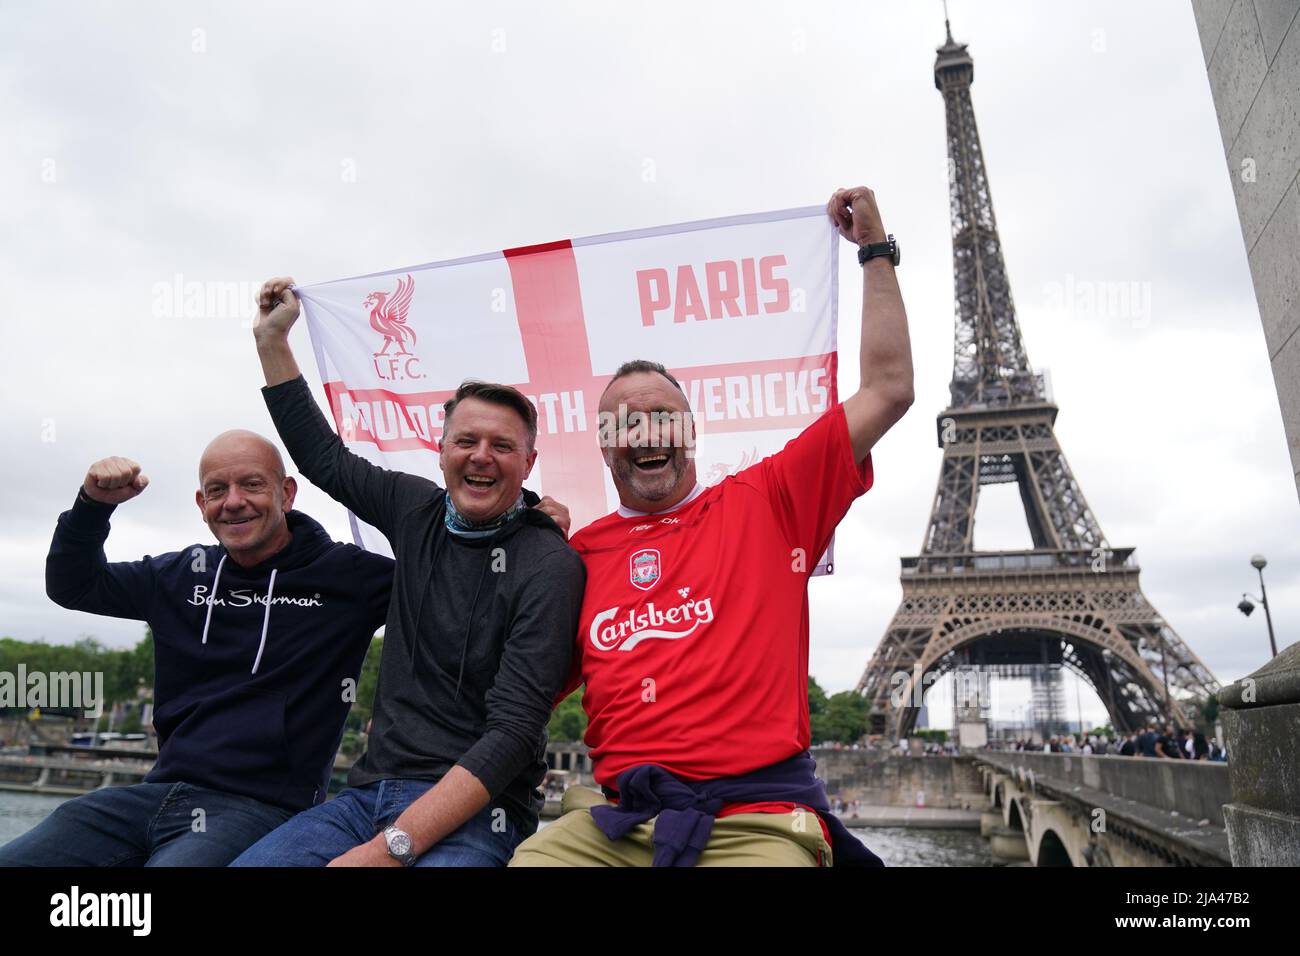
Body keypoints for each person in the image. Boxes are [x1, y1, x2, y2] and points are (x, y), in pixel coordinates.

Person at [509, 185, 912, 868]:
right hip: (617, 820)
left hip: (756, 822)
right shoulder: (575, 556)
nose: (646, 432)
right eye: (625, 422)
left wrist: (875, 252)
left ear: (690, 430)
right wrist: (513, 549)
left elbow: (889, 389)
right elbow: (516, 686)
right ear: (603, 444)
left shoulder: (772, 498)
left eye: (662, 416)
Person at [232, 278, 585, 867]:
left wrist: (391, 850)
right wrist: (272, 342)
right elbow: (325, 460)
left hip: (479, 811)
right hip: (366, 795)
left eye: (502, 446)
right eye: (466, 440)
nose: (481, 456)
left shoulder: (550, 563)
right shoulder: (413, 508)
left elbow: (514, 733)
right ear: (440, 450)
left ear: (529, 463)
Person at [0, 434, 393, 866]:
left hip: (260, 808)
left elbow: (451, 598)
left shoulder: (351, 577)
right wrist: (93, 505)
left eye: (252, 485)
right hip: (150, 794)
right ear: (201, 504)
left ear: (287, 493)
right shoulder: (181, 575)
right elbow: (72, 585)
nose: (234, 502)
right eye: (217, 491)